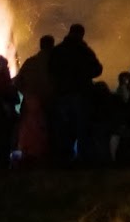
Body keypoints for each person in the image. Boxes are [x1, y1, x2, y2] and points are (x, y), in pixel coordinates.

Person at [51, 24, 104, 165]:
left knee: (64, 129)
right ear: (81, 34)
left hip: (62, 95)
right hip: (80, 94)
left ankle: (64, 159)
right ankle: (82, 159)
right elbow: (97, 69)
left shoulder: (58, 50)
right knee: (81, 128)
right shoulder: (84, 51)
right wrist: (83, 74)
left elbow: (51, 70)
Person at [15, 35, 57, 165]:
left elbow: (18, 82)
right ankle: (49, 159)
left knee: (32, 132)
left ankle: (30, 157)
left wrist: (28, 94)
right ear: (52, 45)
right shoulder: (57, 63)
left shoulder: (30, 62)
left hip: (31, 104)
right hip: (51, 103)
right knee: (51, 131)